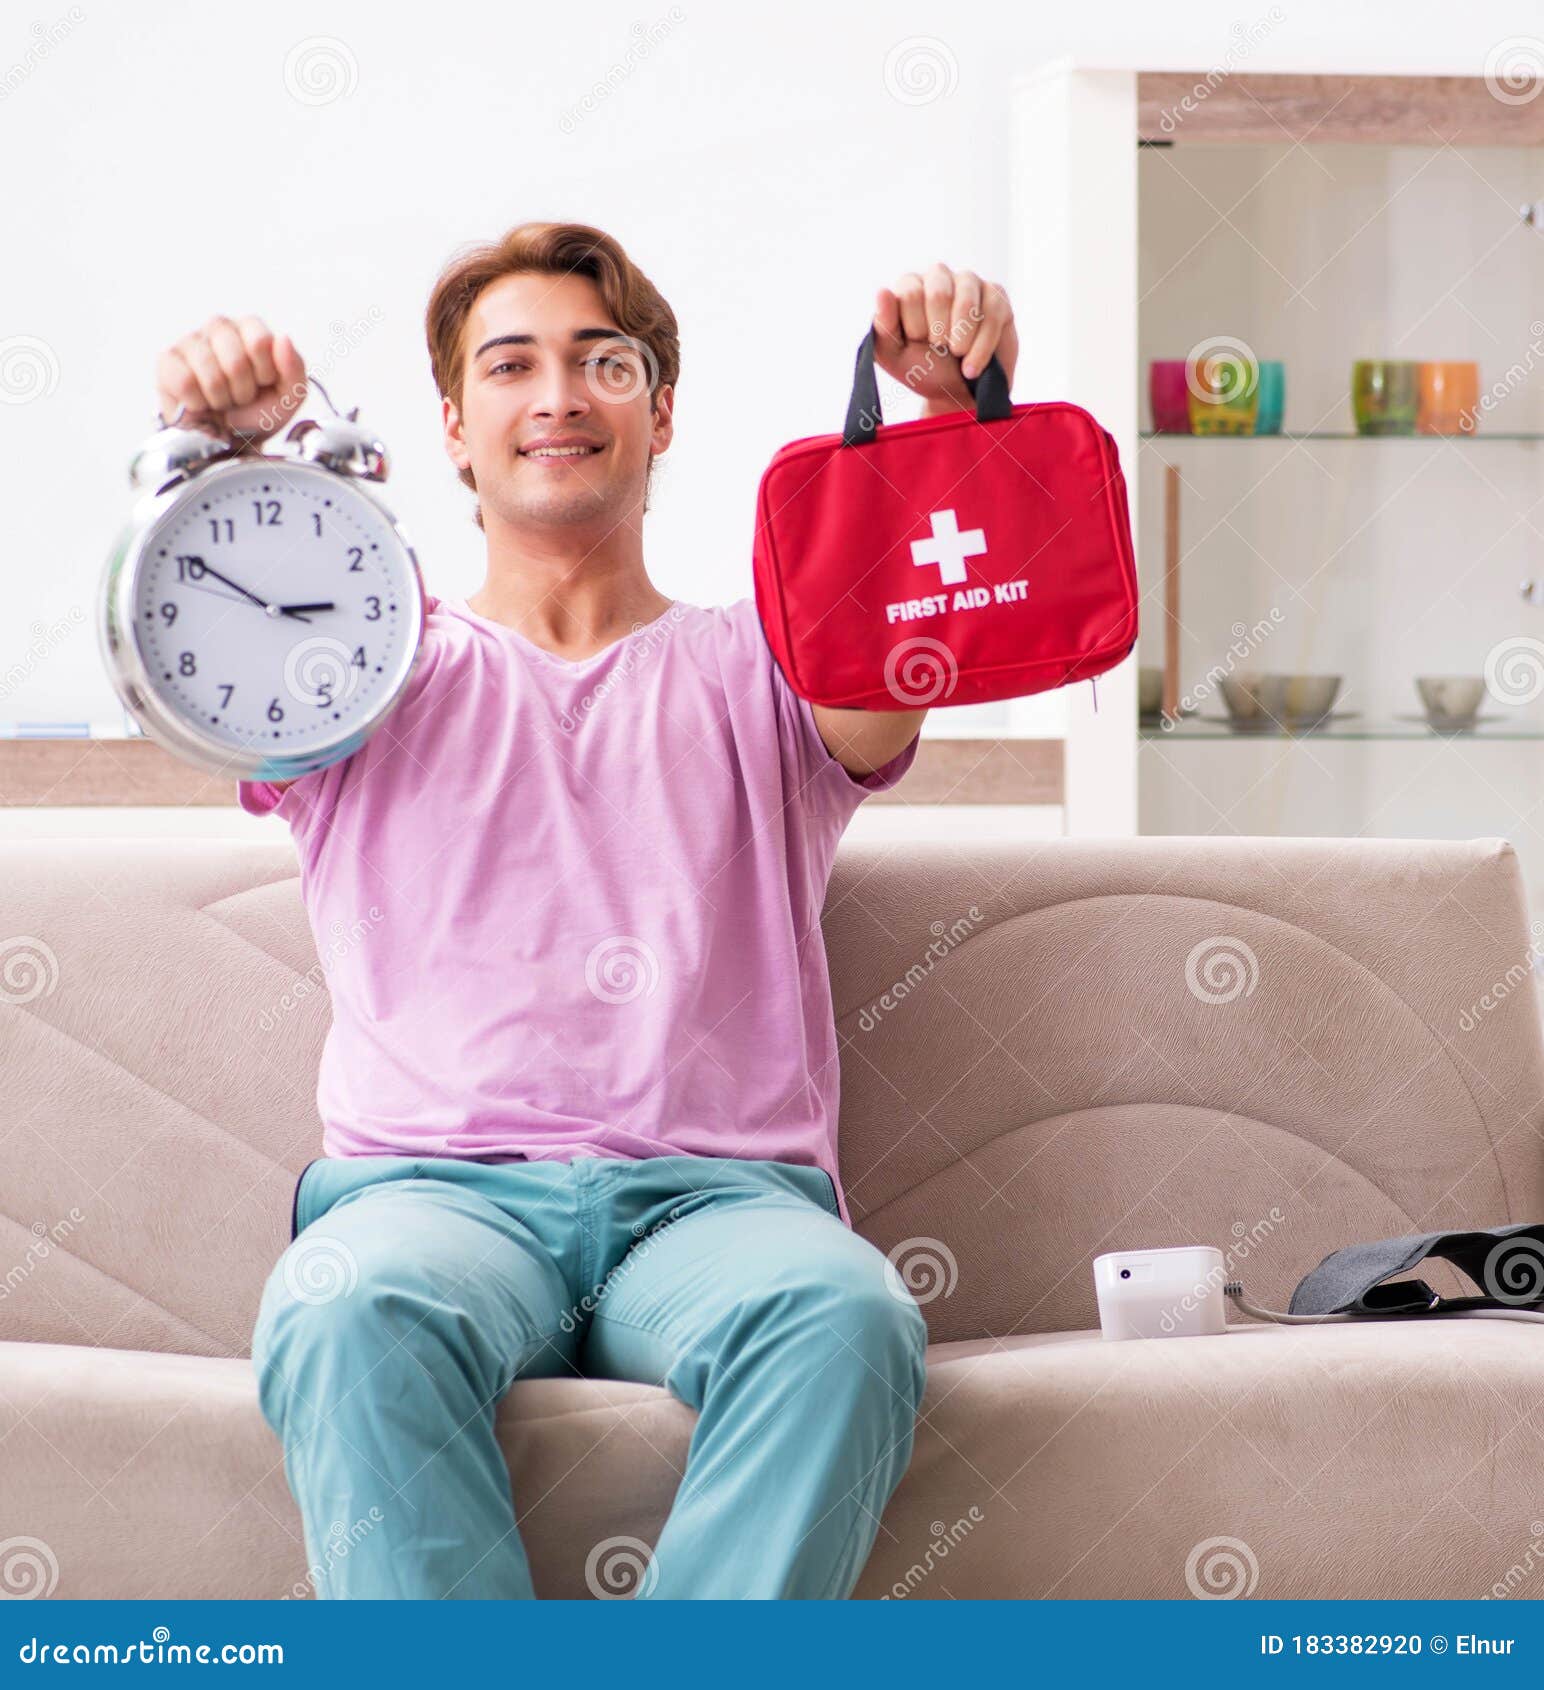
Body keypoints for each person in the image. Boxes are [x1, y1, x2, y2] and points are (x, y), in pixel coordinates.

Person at [154, 223, 1019, 1600]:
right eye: (511, 364)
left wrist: (945, 411)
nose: (556, 393)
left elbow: (914, 633)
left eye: (601, 361)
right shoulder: (369, 670)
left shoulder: (773, 667)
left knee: (849, 1311)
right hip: (432, 1199)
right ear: (452, 428)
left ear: (660, 411)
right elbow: (216, 625)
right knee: (342, 1307)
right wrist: (257, 454)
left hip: (719, 1204)